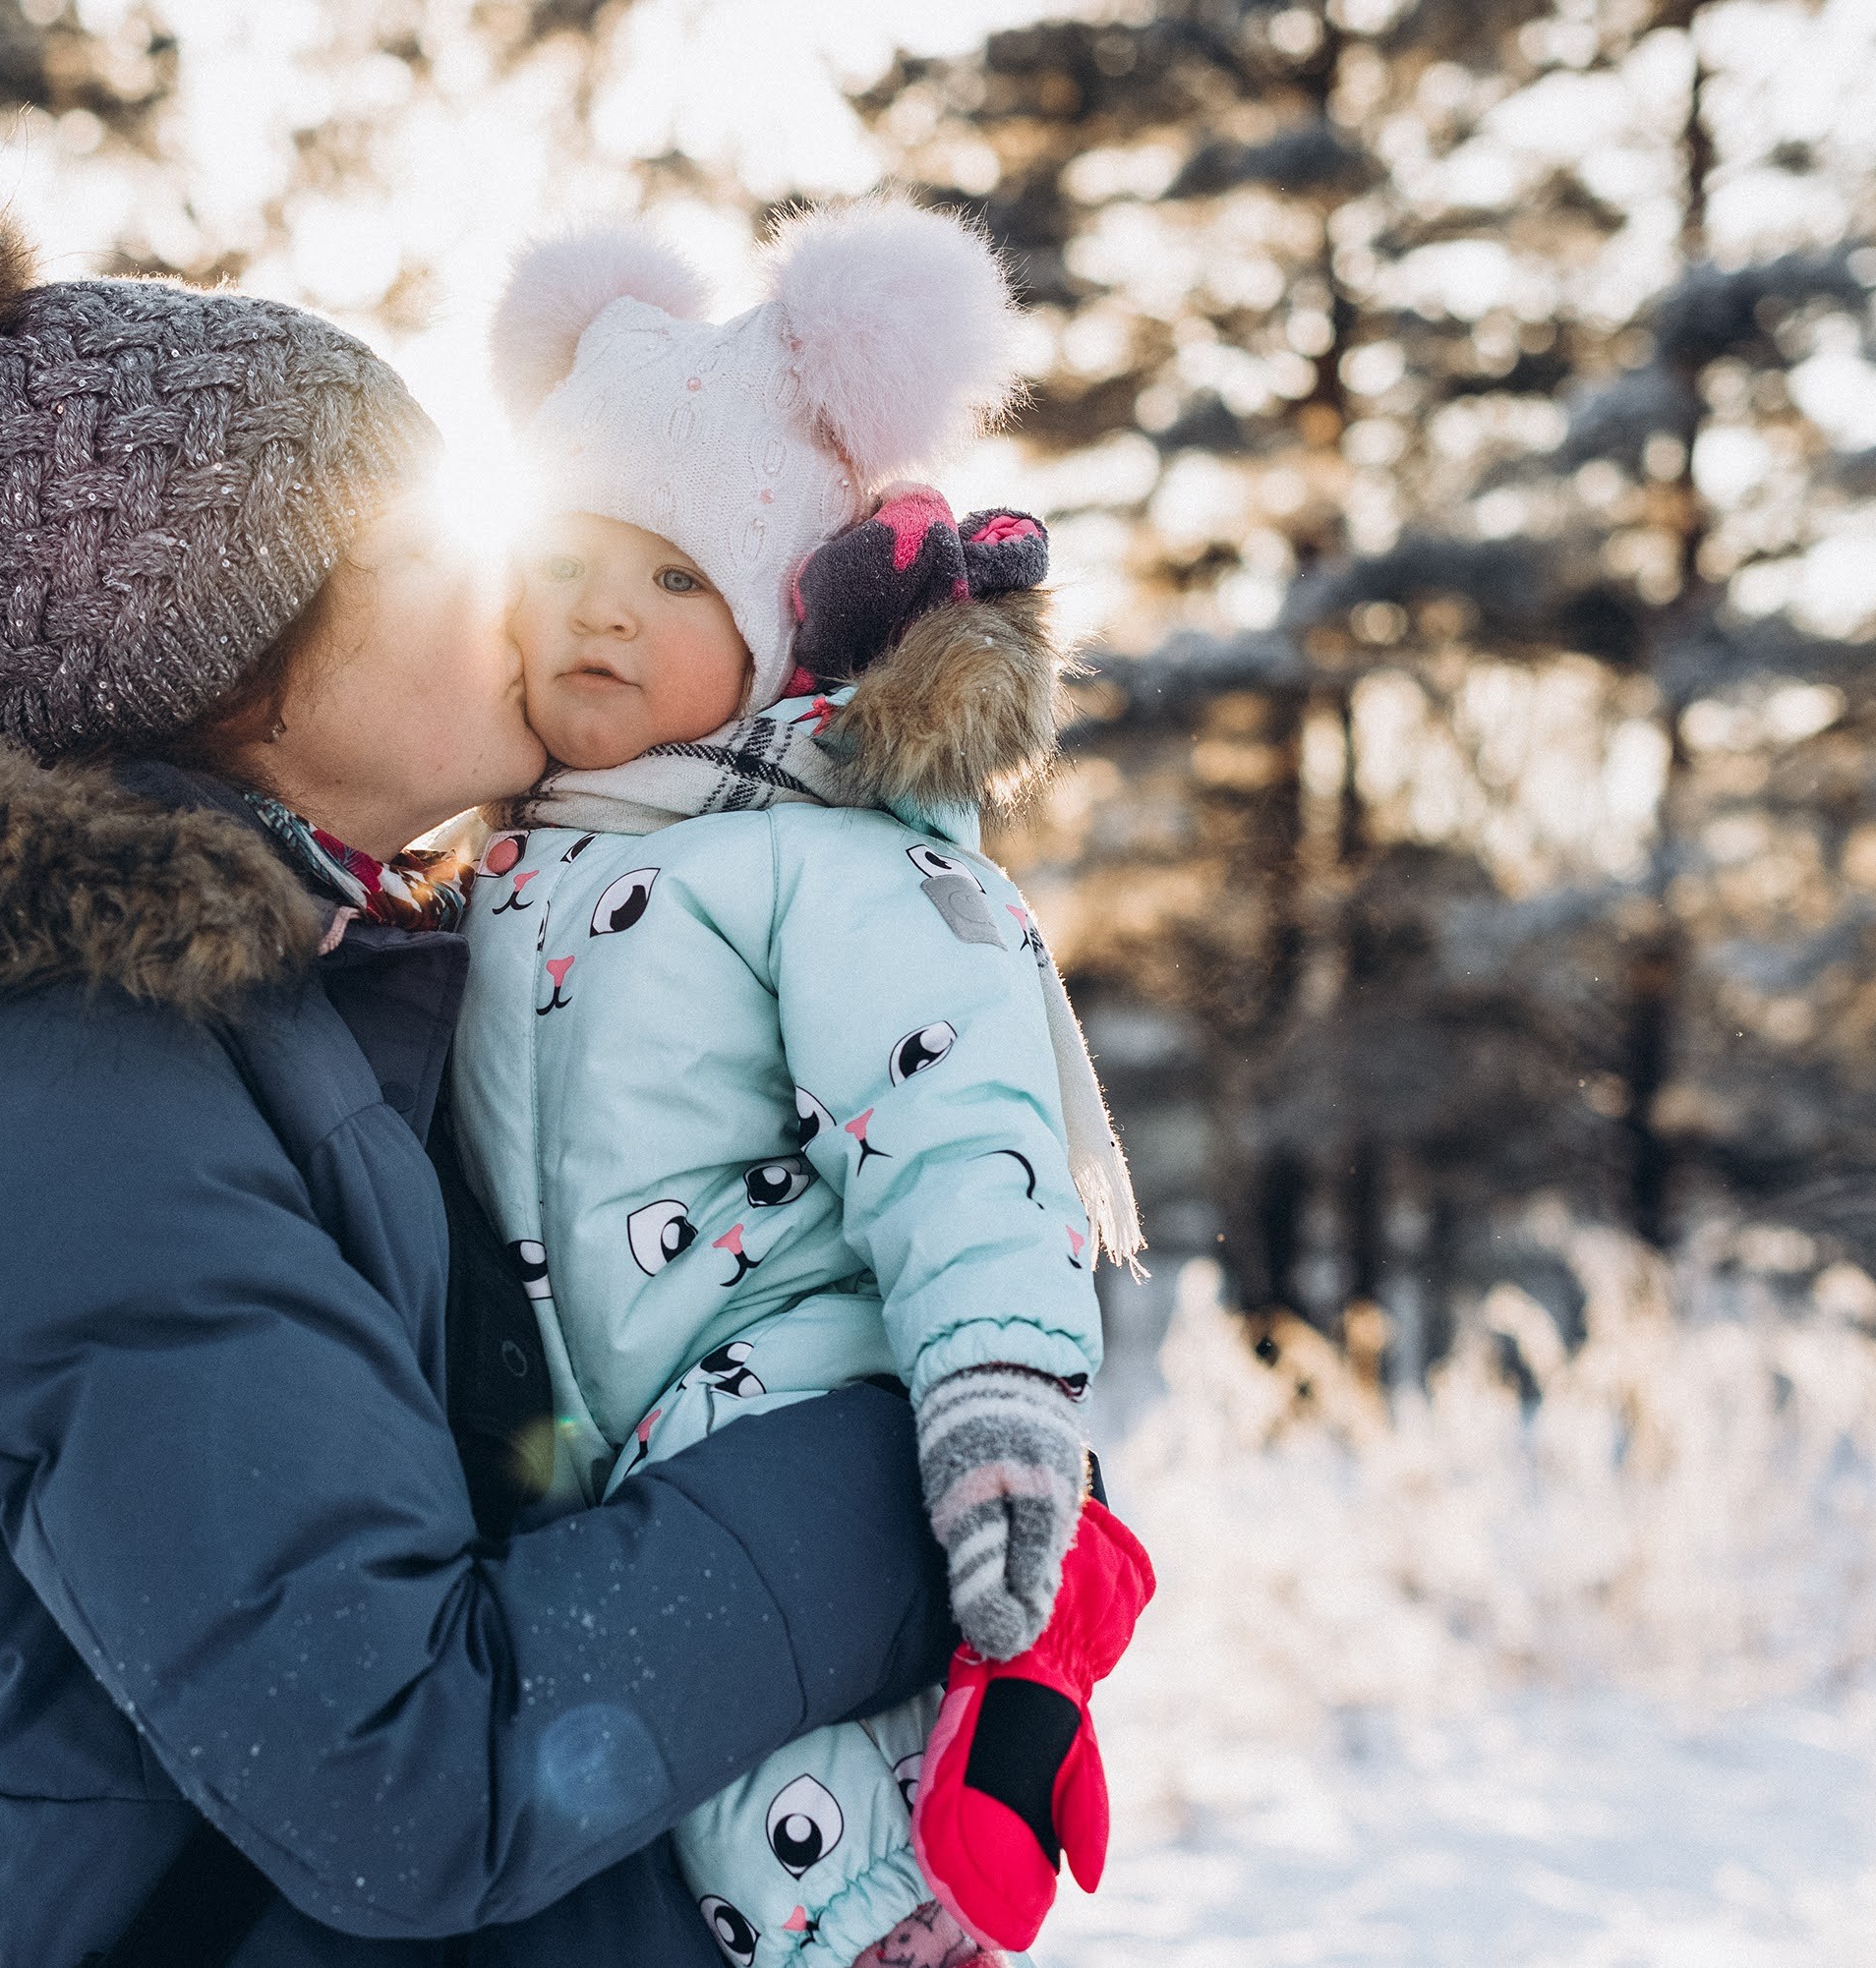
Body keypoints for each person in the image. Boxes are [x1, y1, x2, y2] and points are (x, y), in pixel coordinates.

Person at [0, 148, 965, 1968]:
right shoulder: (61, 1112)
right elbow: (402, 1779)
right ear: (243, 667)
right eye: (430, 547)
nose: (519, 586)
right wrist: (886, 1482)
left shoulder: (327, 989)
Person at [450, 205, 1158, 1966]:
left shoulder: (829, 863)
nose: (605, 604)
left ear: (777, 626)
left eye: (678, 575)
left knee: (843, 1838)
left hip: (807, 1430)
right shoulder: (488, 864)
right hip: (614, 1479)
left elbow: (961, 1131)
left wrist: (999, 1392)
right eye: (574, 552)